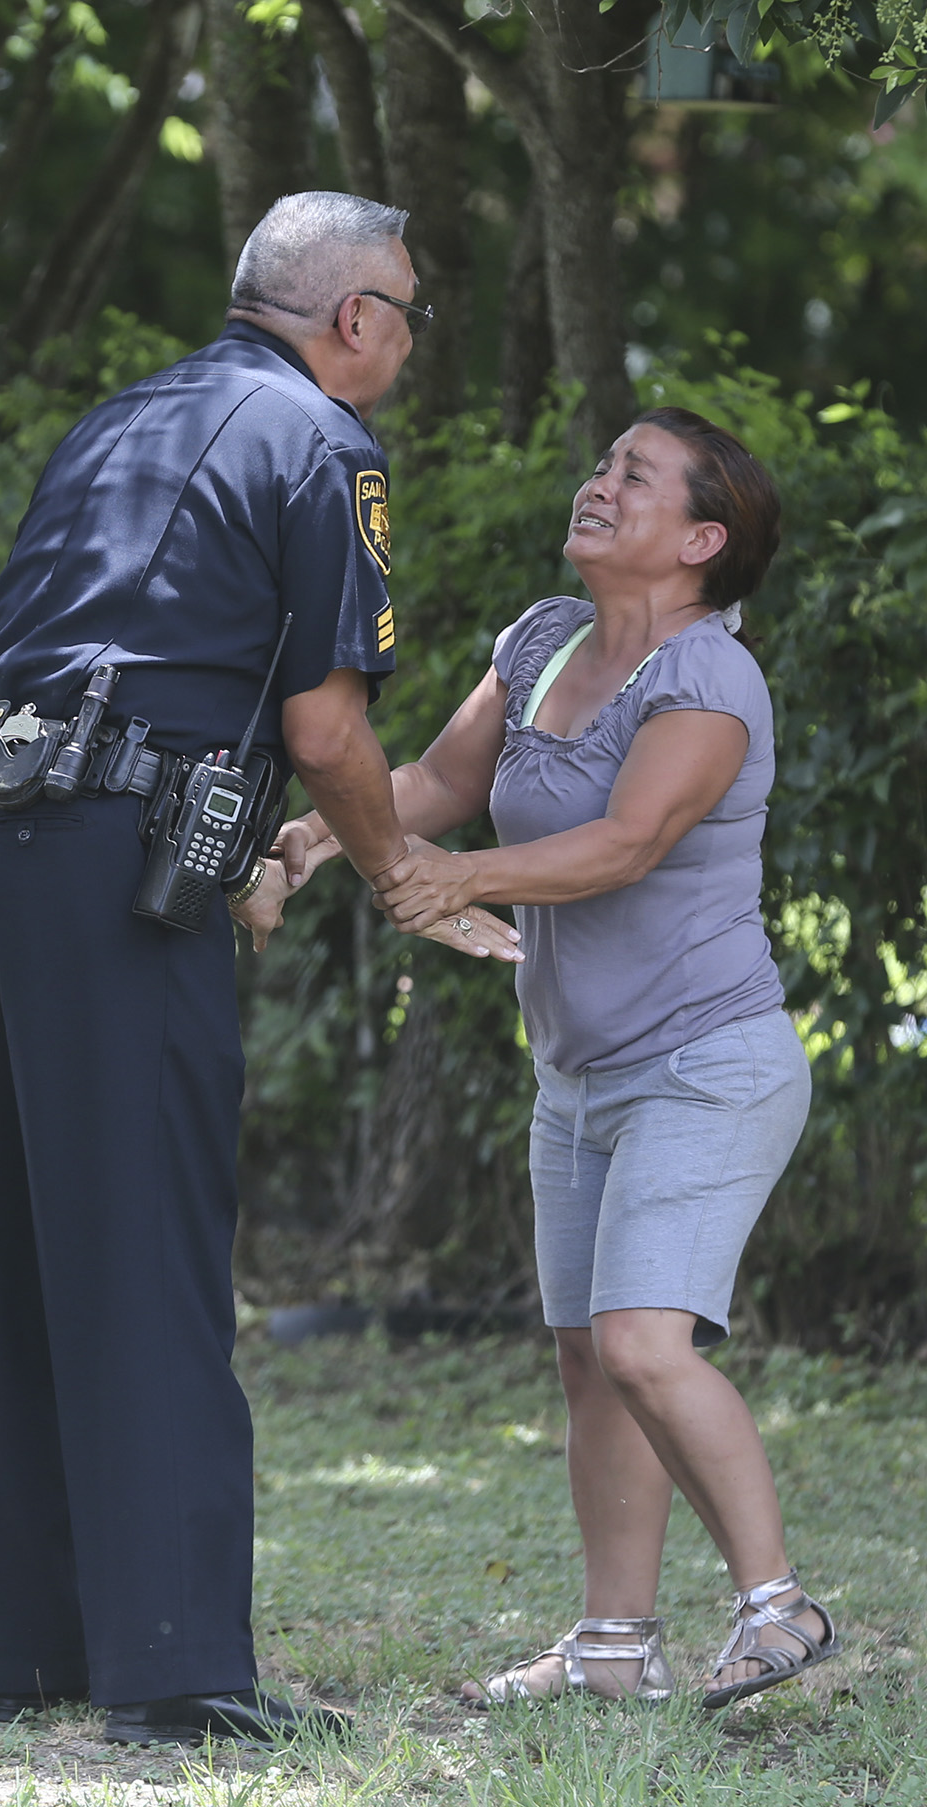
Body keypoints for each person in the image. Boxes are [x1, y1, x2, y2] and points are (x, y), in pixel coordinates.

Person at [0, 192, 521, 1749]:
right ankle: (175, 1674)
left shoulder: (133, 416)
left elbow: (123, 647)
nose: (405, 340)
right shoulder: (323, 442)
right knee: (149, 1247)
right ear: (358, 320)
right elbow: (325, 728)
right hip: (102, 854)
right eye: (410, 312)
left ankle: (30, 1650)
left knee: (18, 1240)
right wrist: (402, 877)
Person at [283, 408, 836, 1709]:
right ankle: (610, 1648)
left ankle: (780, 1607)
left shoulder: (710, 680)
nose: (598, 485)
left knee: (646, 1344)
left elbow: (625, 844)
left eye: (631, 479)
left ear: (702, 540)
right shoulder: (541, 640)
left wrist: (450, 879)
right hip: (577, 1075)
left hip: (707, 1066)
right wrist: (320, 843)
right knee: (589, 1355)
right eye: (602, 466)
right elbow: (427, 783)